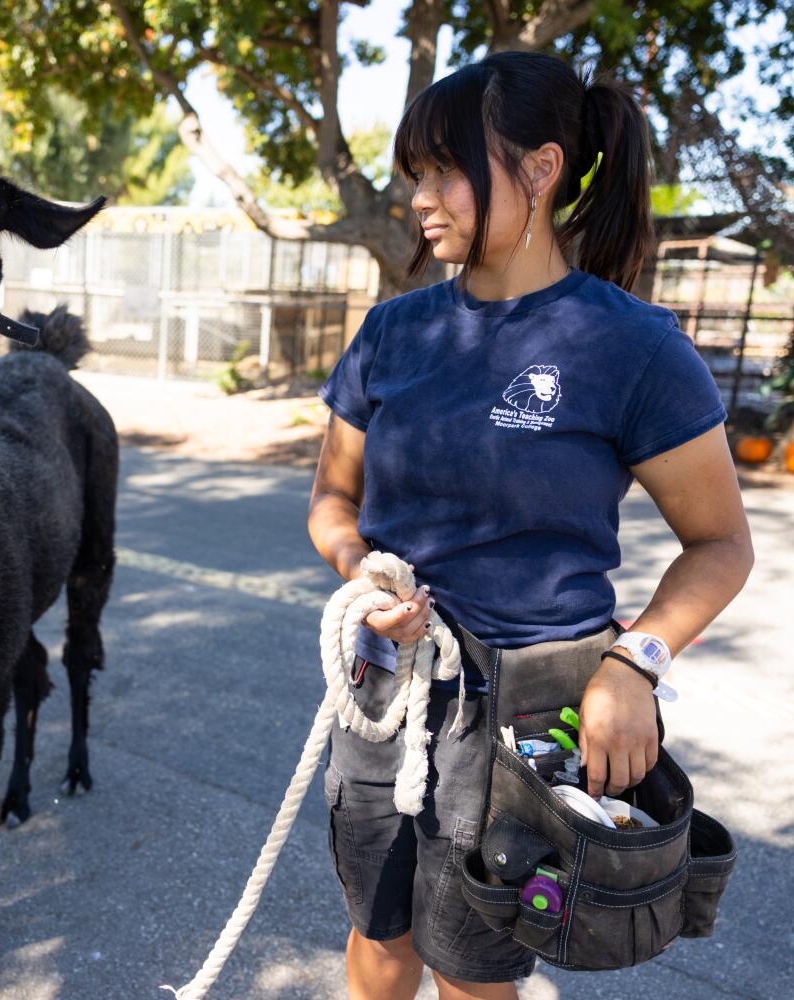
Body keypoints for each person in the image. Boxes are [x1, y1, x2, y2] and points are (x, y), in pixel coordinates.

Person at [305, 51, 753, 1000]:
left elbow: (721, 544)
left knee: (473, 973)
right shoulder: (391, 334)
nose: (421, 198)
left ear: (542, 169)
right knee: (379, 941)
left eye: (445, 170)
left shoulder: (633, 348)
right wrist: (361, 571)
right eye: (415, 173)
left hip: (526, 718)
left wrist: (635, 665)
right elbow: (333, 503)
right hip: (383, 686)